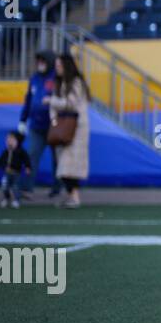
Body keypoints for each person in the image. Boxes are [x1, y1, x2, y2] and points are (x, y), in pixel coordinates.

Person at [46, 53, 90, 209]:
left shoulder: (76, 83)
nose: (56, 68)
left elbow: (70, 104)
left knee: (69, 165)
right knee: (64, 166)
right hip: (62, 128)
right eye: (56, 65)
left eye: (59, 65)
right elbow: (56, 106)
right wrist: (53, 117)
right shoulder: (60, 83)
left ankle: (74, 196)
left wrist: (51, 101)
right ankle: (72, 196)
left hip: (76, 128)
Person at [18, 49, 60, 198]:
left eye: (43, 61)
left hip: (53, 125)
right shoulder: (34, 78)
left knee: (57, 158)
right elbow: (28, 100)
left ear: (49, 62)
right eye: (38, 61)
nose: (39, 64)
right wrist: (23, 120)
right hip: (36, 125)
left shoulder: (57, 77)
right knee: (32, 155)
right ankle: (27, 187)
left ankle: (57, 188)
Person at [0, 130, 32, 209]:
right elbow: (0, 160)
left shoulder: (21, 151)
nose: (9, 141)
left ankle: (16, 200)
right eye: (7, 139)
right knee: (4, 186)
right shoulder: (6, 152)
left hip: (16, 173)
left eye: (12, 139)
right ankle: (6, 198)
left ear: (17, 141)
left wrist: (28, 167)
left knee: (16, 187)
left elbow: (26, 160)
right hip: (7, 173)